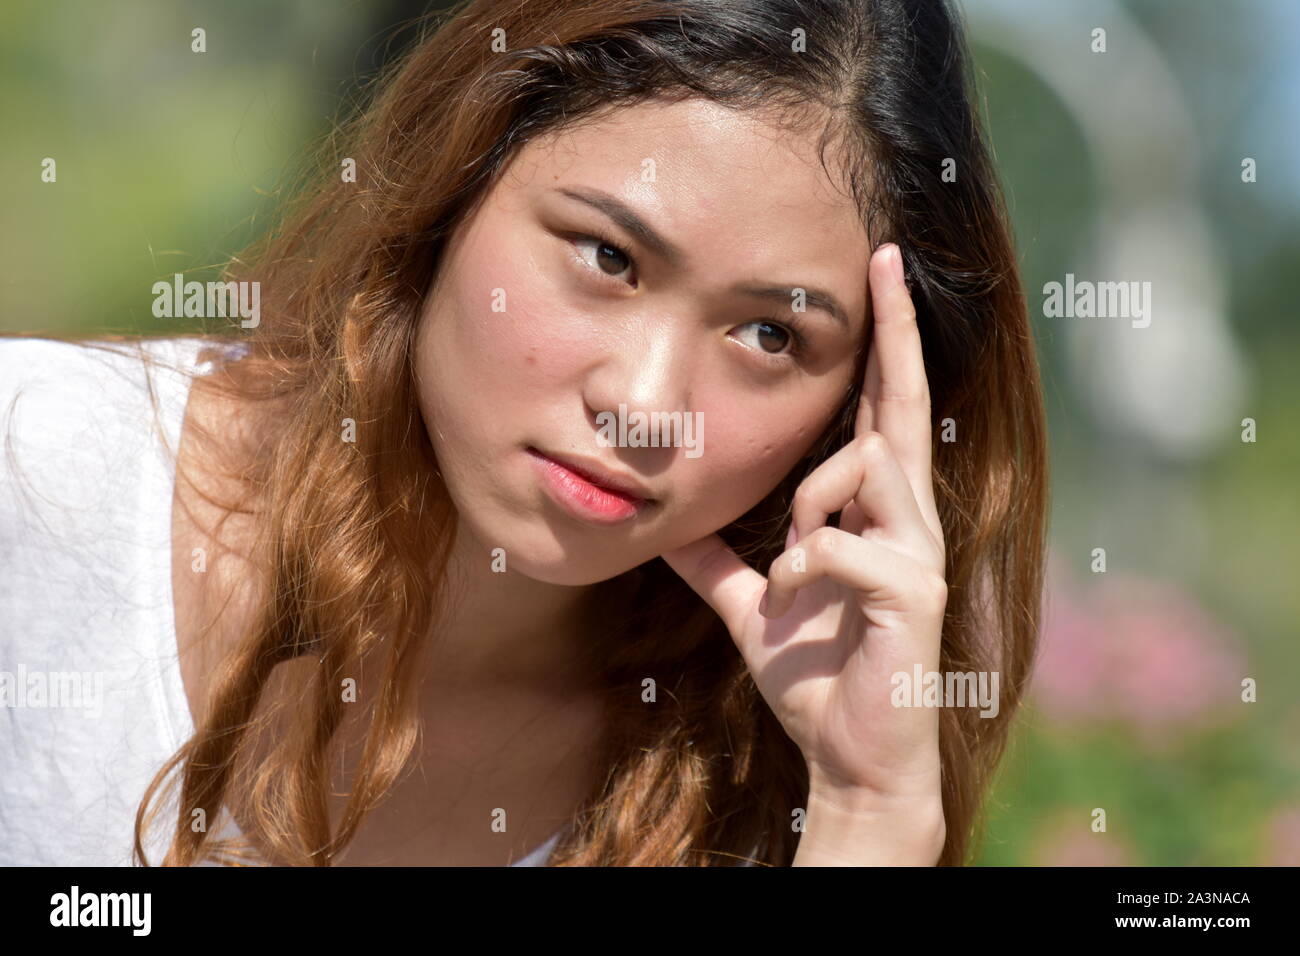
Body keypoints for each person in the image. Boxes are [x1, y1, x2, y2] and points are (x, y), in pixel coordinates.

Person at [0, 0, 1048, 866]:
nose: (646, 402)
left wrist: (869, 811)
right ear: (455, 178)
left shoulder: (755, 769)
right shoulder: (34, 475)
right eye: (606, 257)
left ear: (861, 403)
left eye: (770, 334)